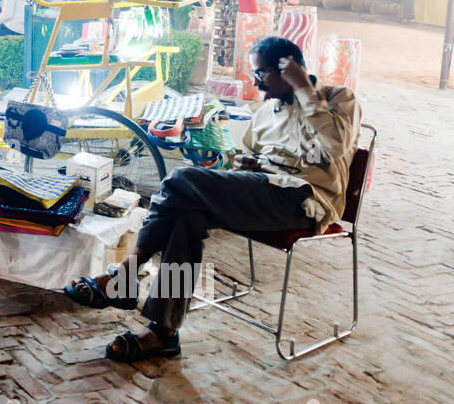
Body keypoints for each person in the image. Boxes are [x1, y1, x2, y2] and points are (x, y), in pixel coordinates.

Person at [63, 36, 360, 362]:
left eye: (260, 73)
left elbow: (334, 145)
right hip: (264, 193)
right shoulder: (265, 113)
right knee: (188, 216)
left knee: (180, 179)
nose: (255, 82)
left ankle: (128, 272)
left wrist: (303, 88)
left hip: (305, 202)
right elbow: (250, 159)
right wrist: (249, 164)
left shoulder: (337, 99)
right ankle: (163, 332)